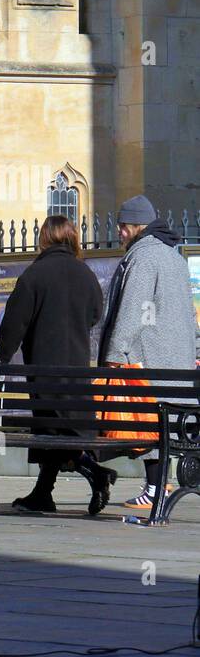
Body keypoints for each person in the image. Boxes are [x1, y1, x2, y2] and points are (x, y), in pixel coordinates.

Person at [0, 215, 114, 515]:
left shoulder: (35, 275)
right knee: (62, 430)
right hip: (76, 370)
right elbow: (95, 313)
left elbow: (14, 322)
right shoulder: (85, 273)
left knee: (54, 430)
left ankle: (92, 473)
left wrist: (2, 358)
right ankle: (43, 492)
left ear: (45, 238)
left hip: (44, 371)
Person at [97, 195, 198, 510]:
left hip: (150, 357)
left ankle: (155, 489)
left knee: (148, 420)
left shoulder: (142, 257)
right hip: (175, 360)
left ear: (136, 225)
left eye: (123, 225)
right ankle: (158, 487)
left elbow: (132, 312)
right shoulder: (174, 257)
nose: (120, 231)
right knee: (163, 423)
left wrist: (115, 353)